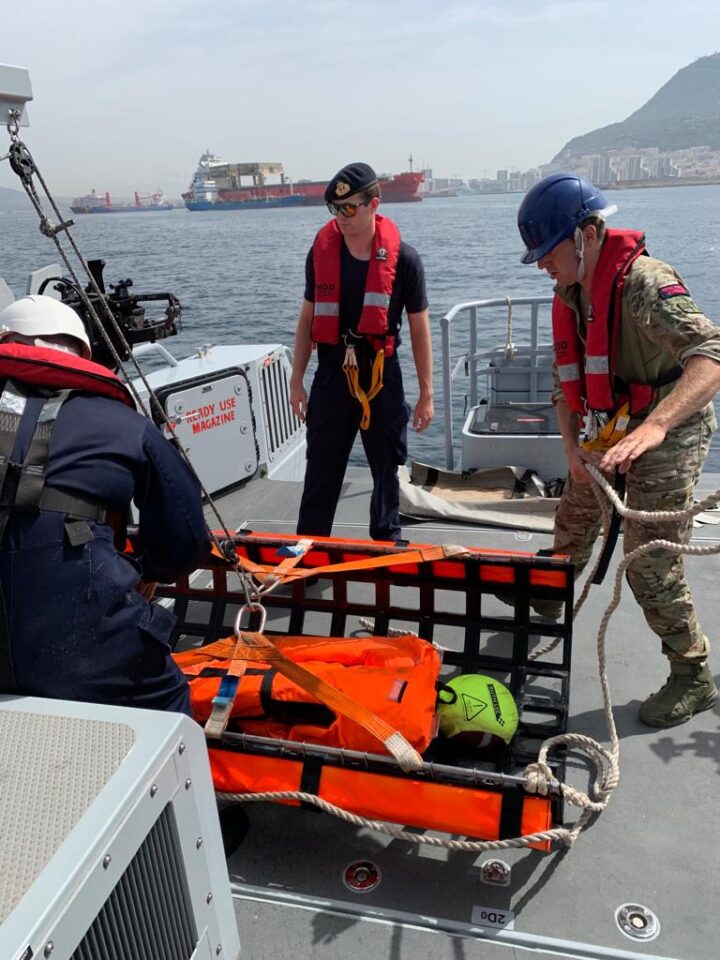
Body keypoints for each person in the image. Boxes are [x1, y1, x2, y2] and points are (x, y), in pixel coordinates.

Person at [517, 172, 720, 728]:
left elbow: (711, 354)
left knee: (649, 562)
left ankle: (692, 674)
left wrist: (654, 428)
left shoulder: (646, 285)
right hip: (610, 424)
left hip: (668, 426)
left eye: (546, 251)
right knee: (574, 516)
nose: (540, 265)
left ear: (585, 235)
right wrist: (571, 450)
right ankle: (550, 600)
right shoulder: (573, 291)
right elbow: (566, 384)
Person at [0, 295, 211, 715]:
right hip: (82, 652)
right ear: (84, 354)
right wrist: (153, 571)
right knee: (168, 700)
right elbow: (187, 539)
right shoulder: (126, 425)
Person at [290, 162, 433, 542]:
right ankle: (309, 547)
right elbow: (306, 321)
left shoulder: (405, 261)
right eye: (335, 209)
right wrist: (296, 381)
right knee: (321, 467)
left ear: (374, 204)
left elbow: (420, 329)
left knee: (386, 467)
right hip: (332, 374)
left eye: (350, 208)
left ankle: (387, 540)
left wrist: (426, 394)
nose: (341, 217)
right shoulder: (320, 254)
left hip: (382, 375)